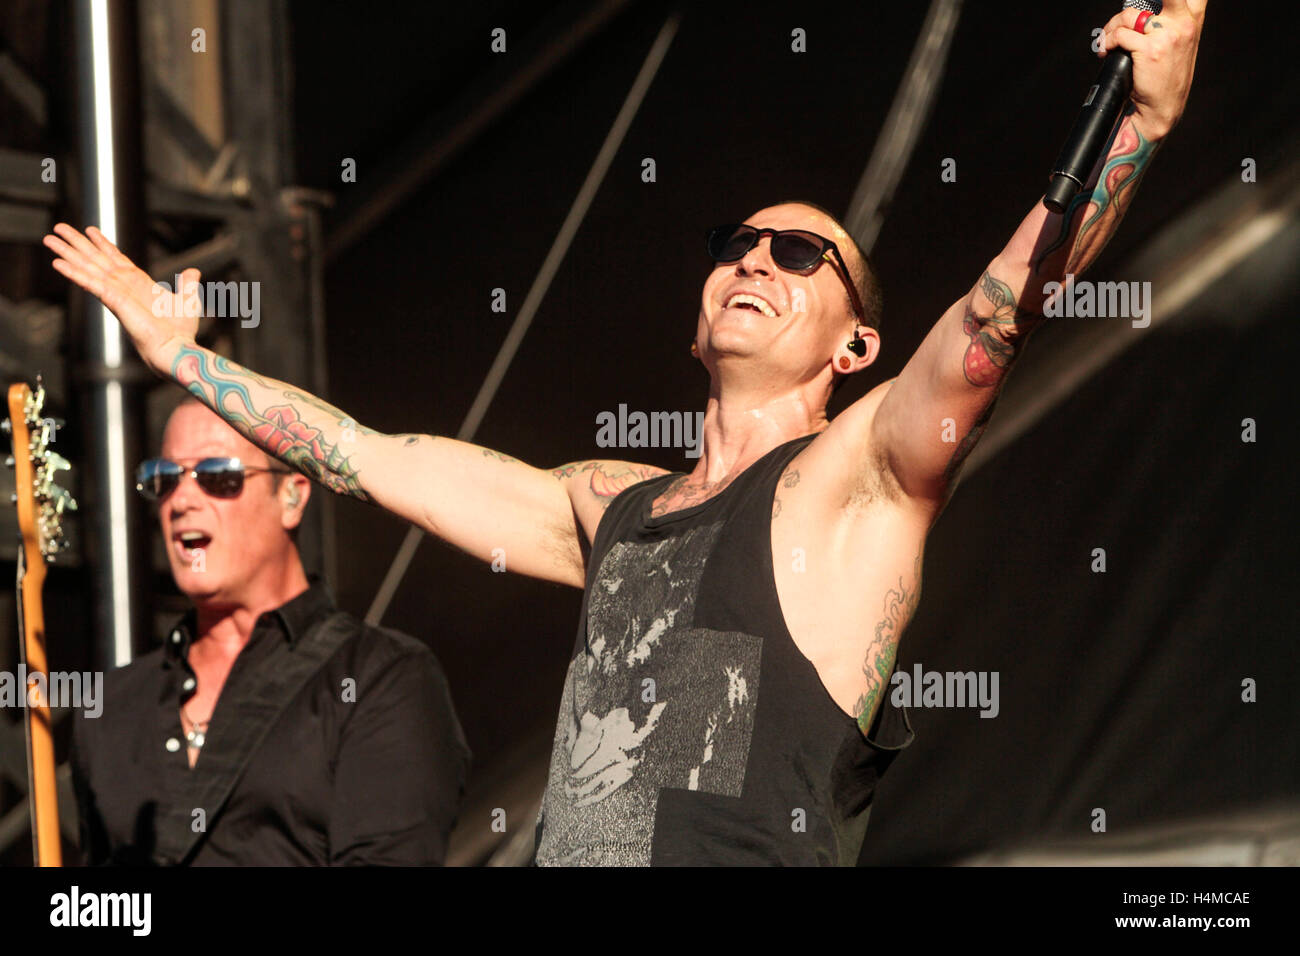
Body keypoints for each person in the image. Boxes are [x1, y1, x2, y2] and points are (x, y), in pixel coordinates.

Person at [49, 3, 1205, 864]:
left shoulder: (856, 481)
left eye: (803, 254)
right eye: (737, 242)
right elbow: (367, 453)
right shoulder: (610, 505)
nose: (757, 257)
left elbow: (997, 309)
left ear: (855, 348)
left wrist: (1142, 119)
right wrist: (183, 356)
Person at [69, 398, 470, 865]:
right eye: (165, 479)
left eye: (219, 475)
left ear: (293, 496)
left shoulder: (381, 679)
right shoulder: (110, 706)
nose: (181, 500)